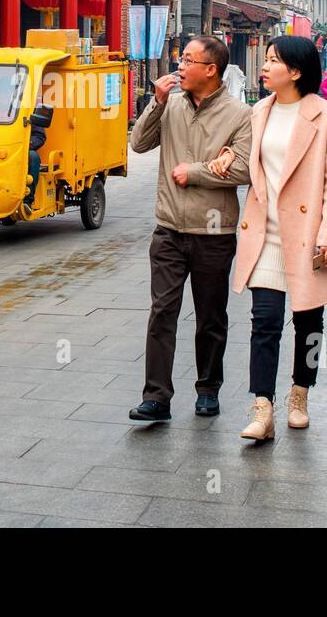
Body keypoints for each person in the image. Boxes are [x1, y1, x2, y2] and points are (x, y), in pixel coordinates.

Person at [209, 35, 327, 438]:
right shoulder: (259, 112)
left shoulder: (324, 116)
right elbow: (243, 151)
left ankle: (300, 394)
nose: (265, 66)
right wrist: (227, 155)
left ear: (296, 71)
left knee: (308, 321)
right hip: (266, 233)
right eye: (266, 59)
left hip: (308, 234)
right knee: (265, 321)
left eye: (273, 61)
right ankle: (262, 409)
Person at [129, 35, 253, 423]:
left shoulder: (239, 114)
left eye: (187, 60)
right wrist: (157, 102)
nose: (179, 66)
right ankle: (156, 397)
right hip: (168, 229)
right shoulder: (173, 106)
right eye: (180, 59)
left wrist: (194, 172)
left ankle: (208, 389)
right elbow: (138, 143)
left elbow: (243, 168)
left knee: (210, 315)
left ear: (210, 69)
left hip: (213, 233)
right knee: (161, 312)